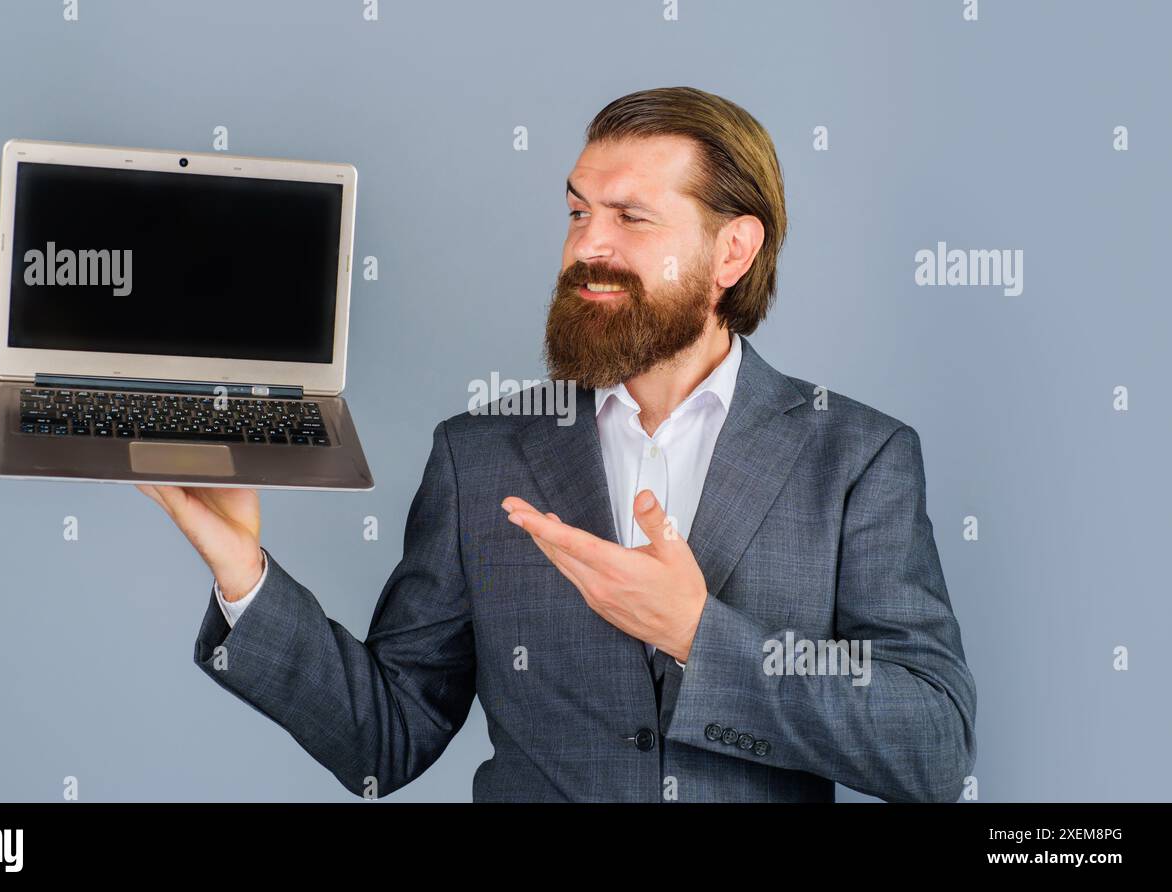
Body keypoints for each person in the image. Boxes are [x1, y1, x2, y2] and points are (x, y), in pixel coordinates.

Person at [140, 86, 976, 802]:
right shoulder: (481, 455)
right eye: (578, 212)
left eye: (630, 218)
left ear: (733, 251)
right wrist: (242, 573)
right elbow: (385, 739)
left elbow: (931, 745)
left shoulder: (857, 458)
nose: (587, 246)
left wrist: (698, 635)